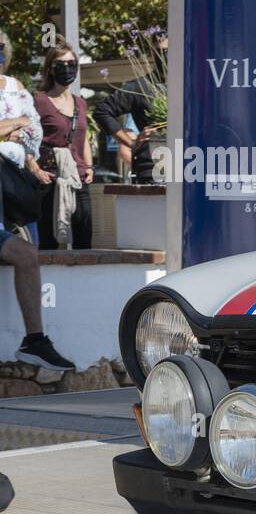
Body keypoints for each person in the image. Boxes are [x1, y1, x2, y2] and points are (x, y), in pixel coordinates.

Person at [0, 27, 76, 372]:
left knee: (28, 254)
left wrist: (15, 128)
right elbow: (24, 123)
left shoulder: (16, 88)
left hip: (10, 188)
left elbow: (34, 132)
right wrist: (13, 123)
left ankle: (35, 341)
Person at [31, 38, 94, 249]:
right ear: (50, 69)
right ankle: (46, 283)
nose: (67, 69)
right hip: (50, 180)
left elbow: (83, 137)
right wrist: (36, 169)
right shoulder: (39, 101)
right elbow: (24, 138)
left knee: (84, 241)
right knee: (48, 244)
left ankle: (83, 283)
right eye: (60, 65)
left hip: (78, 178)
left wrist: (89, 166)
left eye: (71, 65)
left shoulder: (80, 102)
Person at [93, 76, 157, 183]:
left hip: (189, 165)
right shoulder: (141, 87)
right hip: (152, 171)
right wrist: (133, 145)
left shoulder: (191, 85)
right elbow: (102, 111)